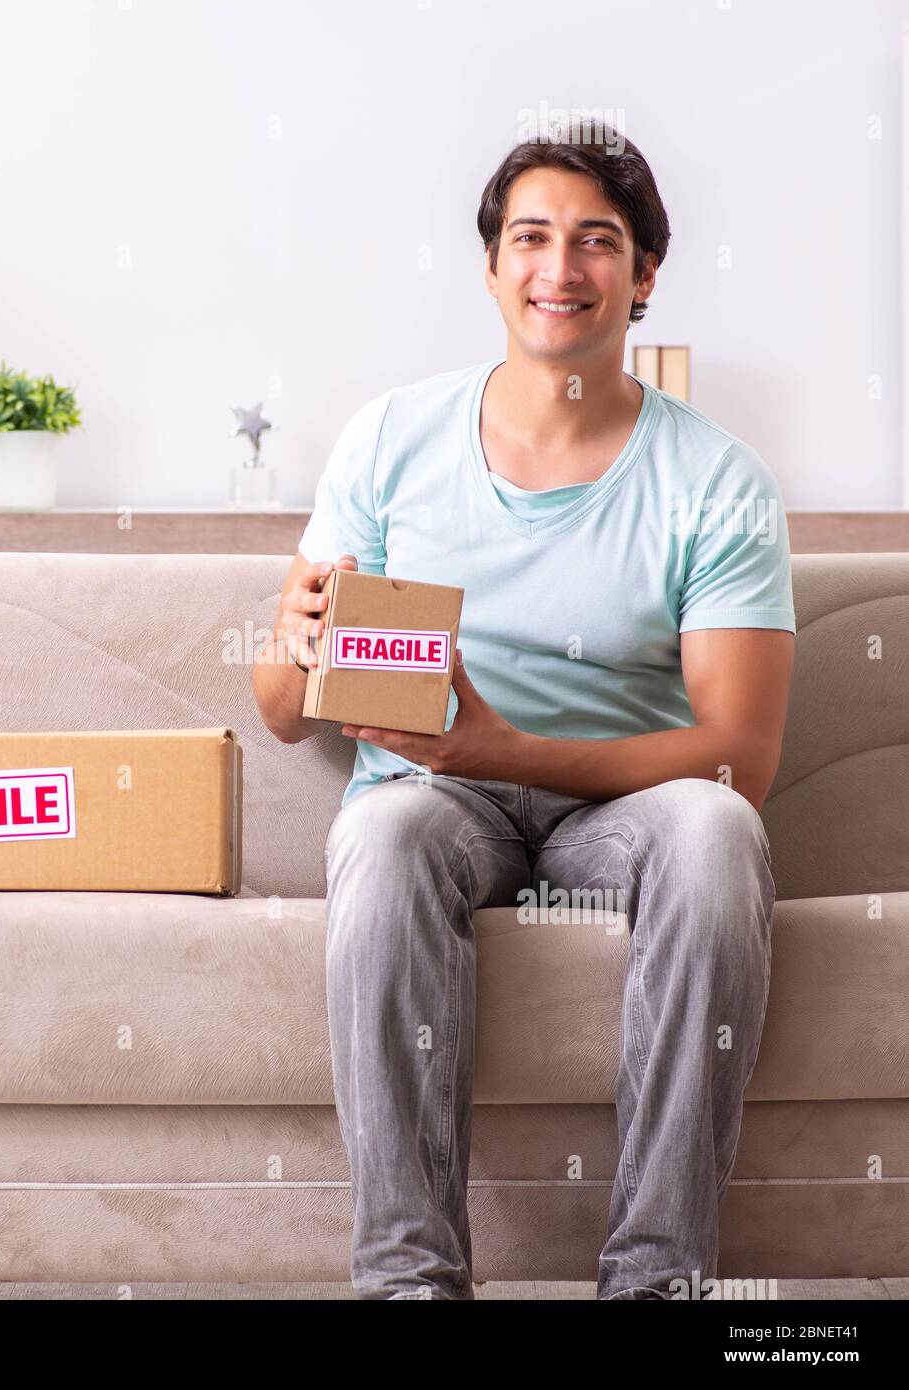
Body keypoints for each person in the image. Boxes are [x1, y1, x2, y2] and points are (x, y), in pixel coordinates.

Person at [251, 124, 795, 1301]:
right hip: (440, 801)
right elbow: (285, 712)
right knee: (381, 832)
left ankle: (654, 1281)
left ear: (643, 276)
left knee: (715, 833)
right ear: (493, 266)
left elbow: (739, 758)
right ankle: (408, 1283)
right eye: (532, 237)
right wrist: (291, 637)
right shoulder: (393, 439)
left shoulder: (715, 481)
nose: (562, 266)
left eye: (597, 242)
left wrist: (512, 745)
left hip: (624, 811)